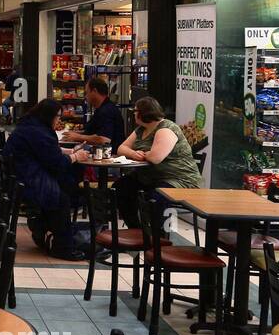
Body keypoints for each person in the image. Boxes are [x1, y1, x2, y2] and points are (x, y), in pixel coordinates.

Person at [4, 99, 92, 261]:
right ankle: (63, 246)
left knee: (63, 189)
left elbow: (46, 152)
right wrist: (75, 156)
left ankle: (45, 232)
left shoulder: (31, 126)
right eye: (57, 117)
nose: (59, 121)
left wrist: (69, 152)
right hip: (31, 180)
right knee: (62, 198)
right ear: (48, 116)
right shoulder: (40, 132)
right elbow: (56, 163)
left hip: (20, 178)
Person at [115, 96, 203, 226]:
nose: (134, 114)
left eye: (135, 111)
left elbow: (156, 158)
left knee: (156, 198)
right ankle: (136, 230)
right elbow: (121, 149)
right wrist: (134, 153)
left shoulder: (166, 128)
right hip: (151, 178)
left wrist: (143, 154)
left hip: (177, 180)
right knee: (121, 187)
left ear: (144, 113)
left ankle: (159, 237)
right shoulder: (140, 129)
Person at [77, 77, 126, 149]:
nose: (86, 96)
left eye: (87, 92)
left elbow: (104, 139)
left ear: (94, 91)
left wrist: (78, 137)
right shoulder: (102, 109)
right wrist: (76, 134)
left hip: (109, 155)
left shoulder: (107, 111)